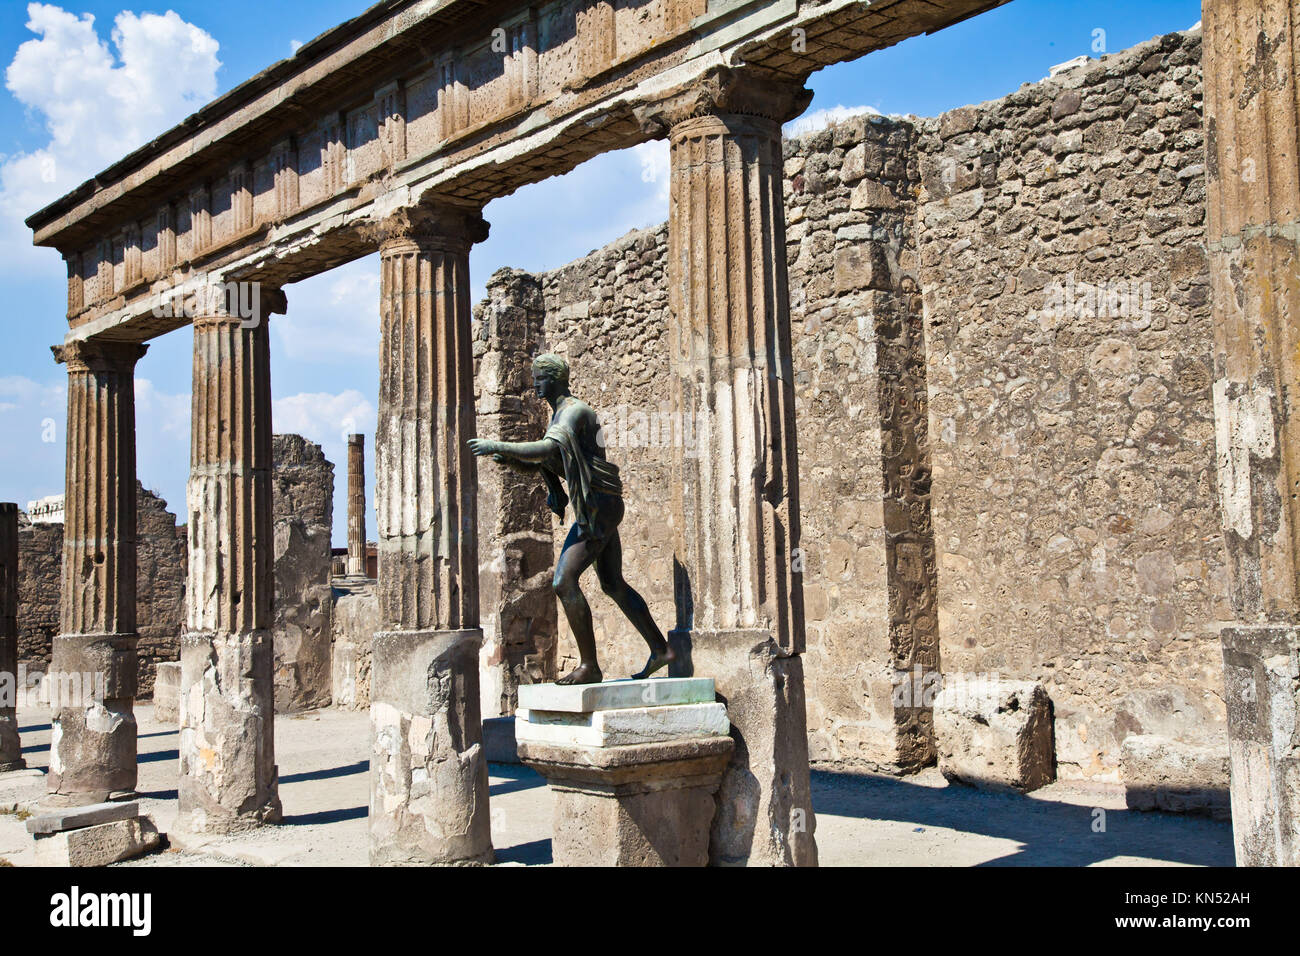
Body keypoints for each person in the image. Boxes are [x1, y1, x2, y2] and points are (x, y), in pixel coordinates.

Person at [468, 353, 673, 685]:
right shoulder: (560, 415)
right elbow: (550, 461)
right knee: (613, 584)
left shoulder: (575, 412)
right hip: (599, 505)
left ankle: (589, 665)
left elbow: (548, 450)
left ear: (556, 379)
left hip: (598, 507)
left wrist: (499, 443)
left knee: (563, 581)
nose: (535, 384)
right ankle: (661, 650)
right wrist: (506, 457)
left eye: (540, 378)